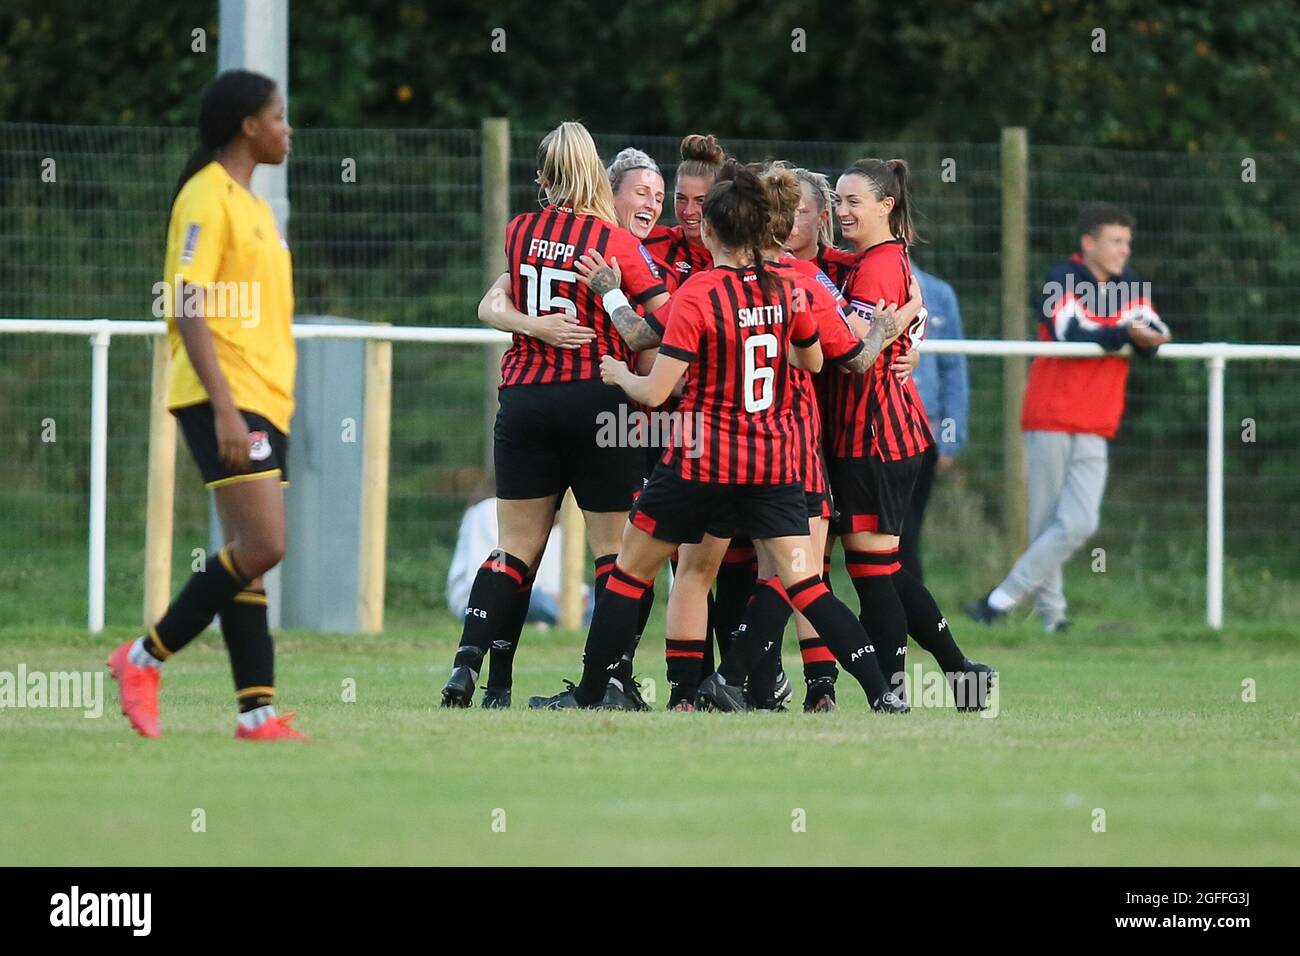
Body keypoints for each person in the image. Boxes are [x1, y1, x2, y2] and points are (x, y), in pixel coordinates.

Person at [528, 163, 910, 714]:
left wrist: (618, 373)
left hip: (703, 458)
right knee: (806, 584)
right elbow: (815, 357)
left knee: (631, 572)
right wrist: (879, 331)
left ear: (711, 232)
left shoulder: (699, 292)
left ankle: (593, 694)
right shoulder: (786, 286)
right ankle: (882, 693)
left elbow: (657, 392)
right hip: (775, 459)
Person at [439, 121, 670, 709]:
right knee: (616, 556)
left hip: (526, 402)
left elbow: (498, 300)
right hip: (598, 402)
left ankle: (472, 668)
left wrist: (531, 326)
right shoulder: (613, 243)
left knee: (514, 549)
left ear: (543, 177)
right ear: (597, 172)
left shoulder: (520, 231)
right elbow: (665, 323)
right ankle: (609, 681)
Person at [106, 69, 305, 741]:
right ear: (249, 125)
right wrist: (223, 407)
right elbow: (186, 302)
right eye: (279, 117)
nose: (288, 129)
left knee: (246, 550)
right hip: (226, 395)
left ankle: (256, 712)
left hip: (262, 398)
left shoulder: (256, 206)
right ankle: (141, 658)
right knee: (265, 544)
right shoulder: (205, 197)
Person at [827, 158, 995, 709]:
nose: (841, 210)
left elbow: (856, 350)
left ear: (885, 205)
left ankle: (895, 693)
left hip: (877, 438)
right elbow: (894, 318)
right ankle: (961, 675)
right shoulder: (877, 259)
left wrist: (879, 328)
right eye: (838, 201)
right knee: (883, 570)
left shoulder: (877, 264)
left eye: (854, 201)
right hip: (878, 434)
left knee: (875, 573)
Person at [967, 202, 1170, 633]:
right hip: (1052, 414)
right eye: (1116, 241)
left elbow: (1149, 331)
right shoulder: (1063, 278)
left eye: (1127, 242)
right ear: (1088, 243)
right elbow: (1067, 331)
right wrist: (1124, 335)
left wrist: (1152, 338)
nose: (1123, 250)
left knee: (1079, 523)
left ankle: (999, 600)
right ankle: (1053, 619)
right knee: (1046, 523)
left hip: (1098, 419)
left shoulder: (1131, 284)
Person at [898, 262, 970, 582]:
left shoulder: (939, 294)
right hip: (866, 431)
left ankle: (915, 621)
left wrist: (950, 437)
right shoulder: (846, 280)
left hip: (922, 431)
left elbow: (953, 367)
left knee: (905, 534)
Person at [445, 478, 589, 626]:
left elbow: (559, 576)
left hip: (546, 597)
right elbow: (491, 575)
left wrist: (577, 596)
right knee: (538, 601)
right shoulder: (488, 510)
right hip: (490, 599)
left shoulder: (556, 521)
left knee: (599, 596)